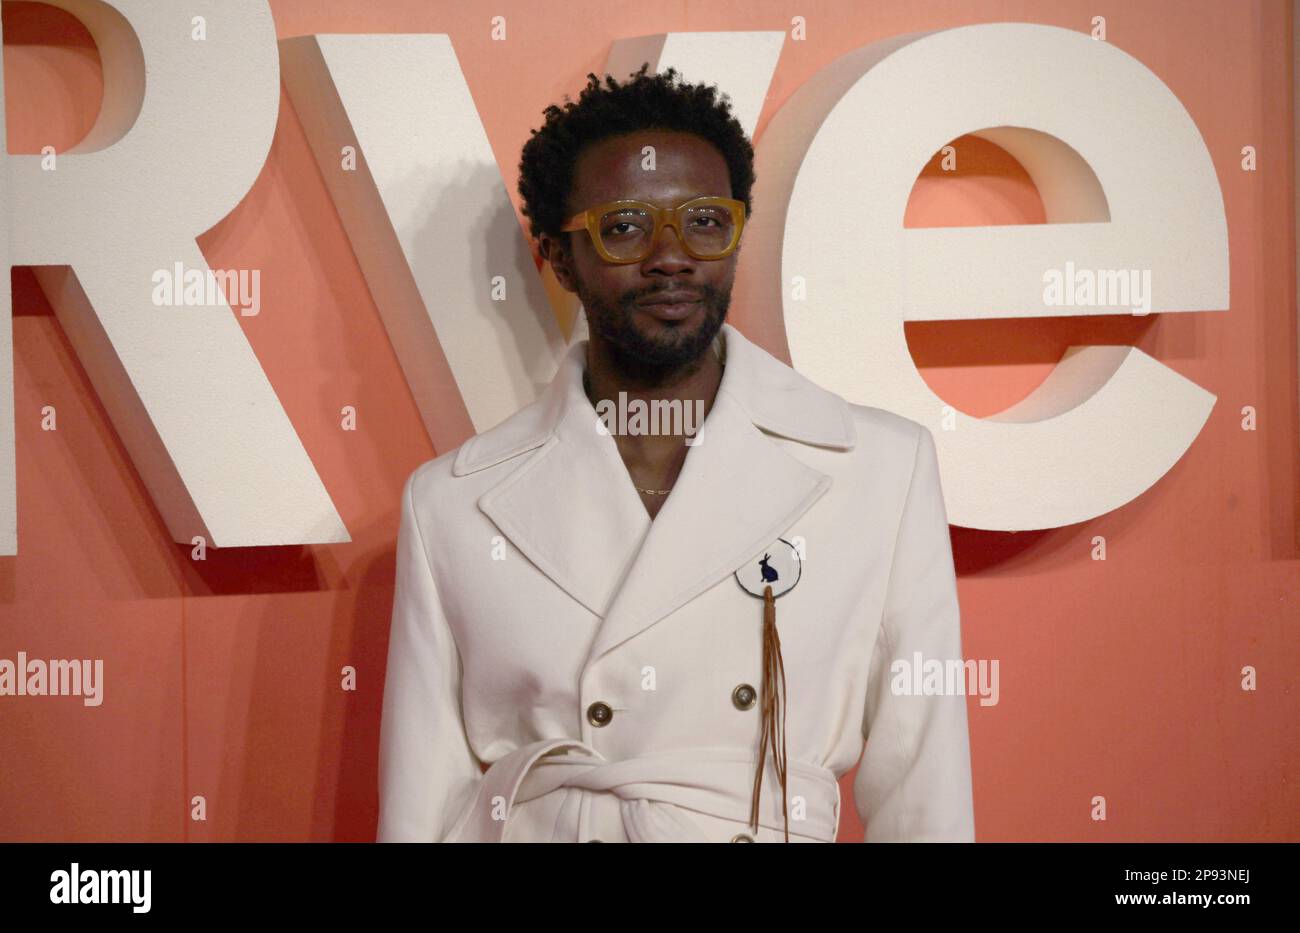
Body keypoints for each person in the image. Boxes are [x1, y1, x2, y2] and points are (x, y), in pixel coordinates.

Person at [377, 64, 974, 842]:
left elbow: (923, 786)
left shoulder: (880, 468)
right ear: (558, 257)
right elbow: (423, 799)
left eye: (704, 221)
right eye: (624, 225)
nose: (672, 256)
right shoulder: (449, 503)